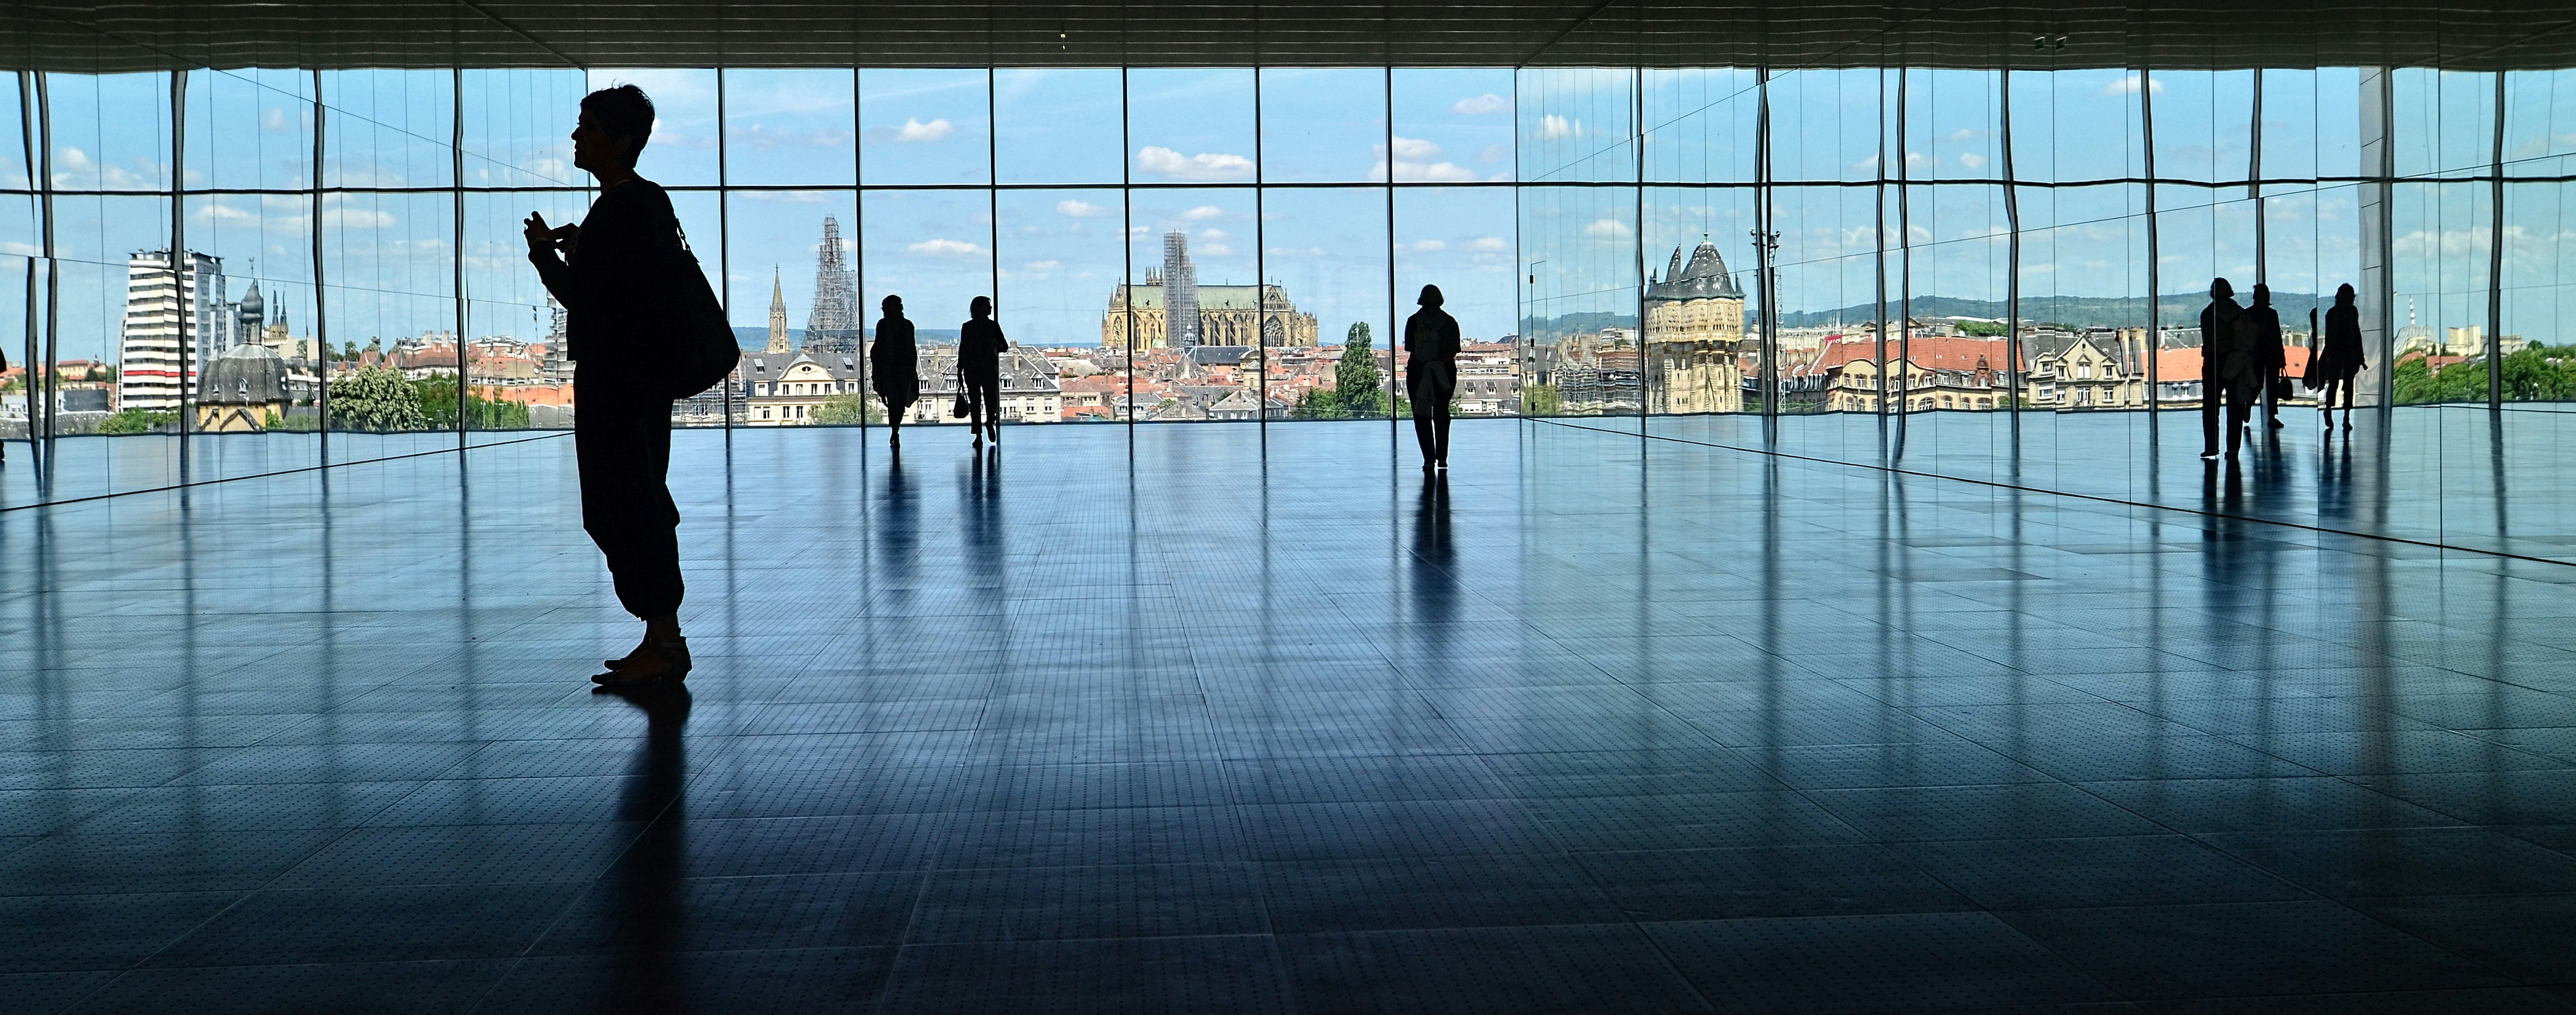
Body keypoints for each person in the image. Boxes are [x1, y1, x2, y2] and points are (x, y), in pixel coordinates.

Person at [525, 84, 691, 687]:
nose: (577, 137)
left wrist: (545, 254)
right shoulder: (639, 205)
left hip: (618, 381)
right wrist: (580, 242)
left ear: (619, 142)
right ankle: (660, 635)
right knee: (637, 498)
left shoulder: (622, 210)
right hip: (638, 379)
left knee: (624, 504)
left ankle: (664, 637)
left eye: (589, 128)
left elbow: (587, 300)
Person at [2198, 277, 2259, 461]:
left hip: (2214, 362)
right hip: (2237, 362)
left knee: (2211, 406)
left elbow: (2209, 341)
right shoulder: (2240, 313)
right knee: (2235, 406)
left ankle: (2211, 446)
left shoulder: (2208, 314)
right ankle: (2233, 447)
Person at [1403, 284, 1461, 470]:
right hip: (1444, 371)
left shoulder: (1413, 321)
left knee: (1421, 414)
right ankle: (1442, 457)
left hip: (1418, 371)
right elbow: (1454, 349)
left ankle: (1429, 458)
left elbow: (1409, 348)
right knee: (1442, 412)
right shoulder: (1450, 322)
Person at [2314, 283, 2366, 431]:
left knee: (2337, 384)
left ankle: (2331, 411)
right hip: (2345, 352)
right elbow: (2356, 333)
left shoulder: (2333, 312)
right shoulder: (2351, 311)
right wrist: (2360, 354)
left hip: (2340, 352)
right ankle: (2344, 417)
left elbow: (2331, 336)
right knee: (2345, 385)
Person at [871, 294, 919, 447]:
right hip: (895, 368)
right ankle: (895, 429)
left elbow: (878, 348)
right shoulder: (906, 325)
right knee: (896, 401)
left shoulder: (885, 325)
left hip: (894, 368)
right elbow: (912, 349)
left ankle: (895, 430)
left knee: (896, 401)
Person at [958, 296, 1006, 447]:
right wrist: (995, 345)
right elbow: (1004, 346)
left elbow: (963, 350)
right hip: (988, 367)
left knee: (975, 403)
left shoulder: (968, 327)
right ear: (981, 308)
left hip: (972, 368)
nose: (991, 308)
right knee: (990, 399)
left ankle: (978, 435)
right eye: (988, 306)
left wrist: (960, 370)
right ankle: (988, 423)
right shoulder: (992, 326)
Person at [2249, 283, 2287, 430]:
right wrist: (2282, 355)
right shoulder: (2272, 314)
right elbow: (2277, 336)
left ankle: (2249, 405)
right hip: (2271, 353)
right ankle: (2271, 416)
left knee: (2258, 383)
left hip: (2257, 353)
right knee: (2271, 385)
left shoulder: (2249, 313)